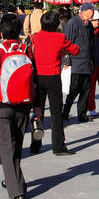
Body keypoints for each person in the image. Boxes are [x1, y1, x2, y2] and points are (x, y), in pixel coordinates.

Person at [0, 14, 34, 199]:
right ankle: (11, 178)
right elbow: (32, 76)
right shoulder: (25, 49)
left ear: (1, 31)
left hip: (0, 102)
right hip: (24, 102)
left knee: (6, 146)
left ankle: (17, 189)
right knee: (17, 143)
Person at [27, 10, 78, 156]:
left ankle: (35, 143)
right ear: (56, 25)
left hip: (37, 77)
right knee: (56, 113)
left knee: (38, 111)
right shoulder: (60, 37)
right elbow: (75, 50)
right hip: (53, 77)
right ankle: (58, 146)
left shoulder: (34, 37)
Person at [60, 2, 96, 124]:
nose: (93, 14)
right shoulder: (73, 23)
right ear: (85, 11)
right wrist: (66, 60)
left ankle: (82, 114)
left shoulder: (89, 25)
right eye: (92, 11)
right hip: (76, 62)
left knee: (86, 90)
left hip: (87, 62)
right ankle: (65, 112)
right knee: (74, 89)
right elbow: (66, 42)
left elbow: (91, 43)